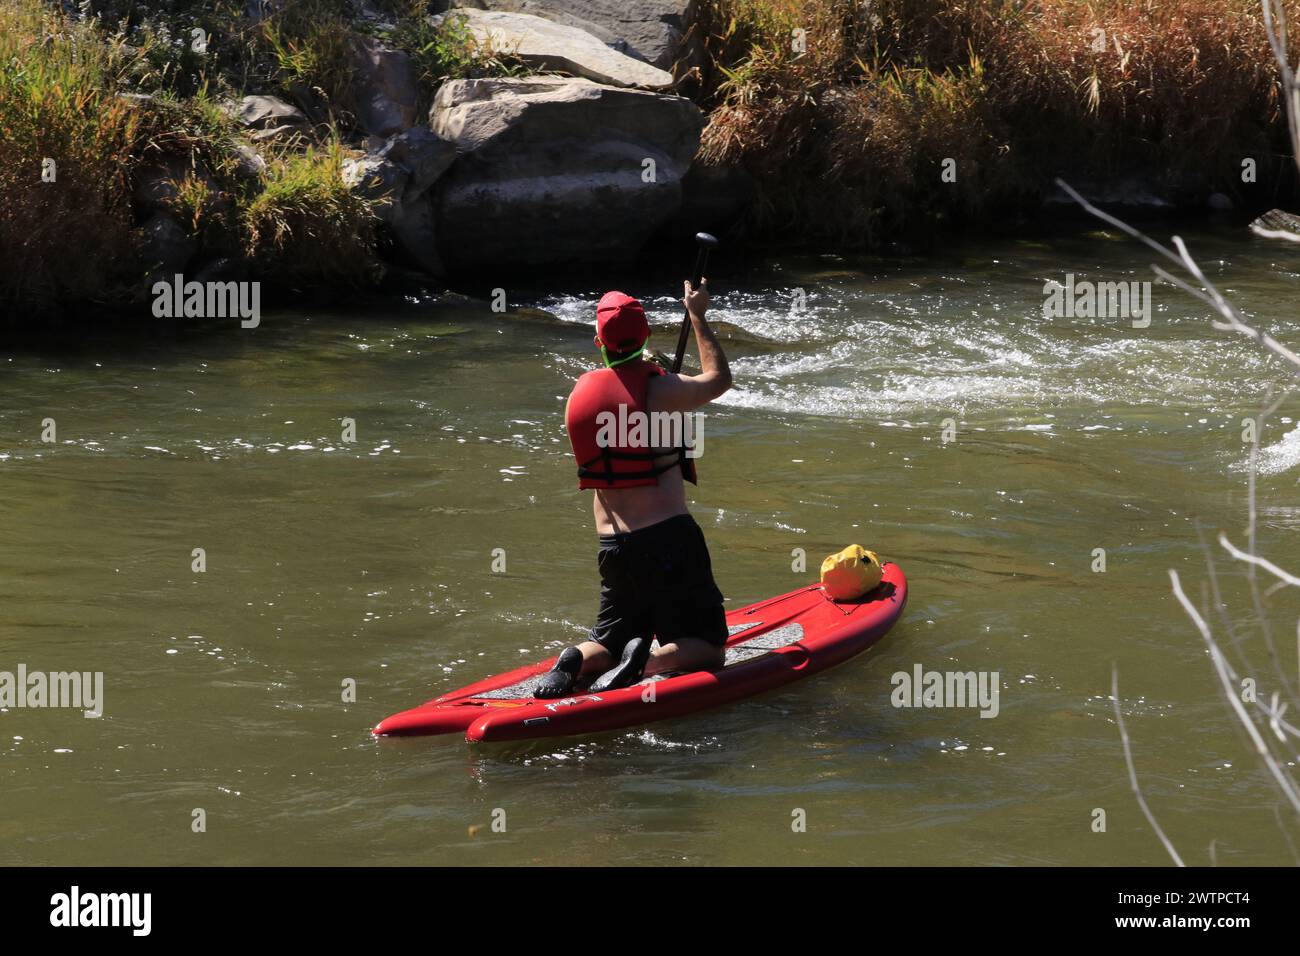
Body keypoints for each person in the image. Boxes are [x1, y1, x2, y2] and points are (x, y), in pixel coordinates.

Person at [534, 280, 733, 699]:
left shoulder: (578, 395)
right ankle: (649, 660)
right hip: (668, 539)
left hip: (614, 547)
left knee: (608, 639)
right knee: (711, 648)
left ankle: (575, 658)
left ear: (598, 342)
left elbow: (627, 423)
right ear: (644, 337)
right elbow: (718, 379)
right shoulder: (664, 389)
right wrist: (696, 314)